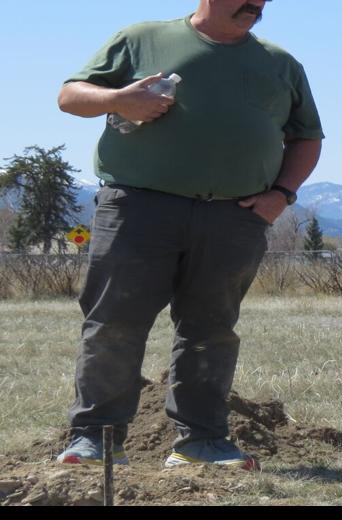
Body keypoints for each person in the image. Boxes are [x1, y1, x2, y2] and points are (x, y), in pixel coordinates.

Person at [54, 0, 323, 470]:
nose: (257, 4)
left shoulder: (280, 63)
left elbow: (307, 136)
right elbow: (71, 96)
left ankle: (201, 442)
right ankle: (96, 439)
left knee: (211, 330)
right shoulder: (142, 38)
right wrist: (117, 99)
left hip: (233, 217)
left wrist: (282, 194)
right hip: (138, 208)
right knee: (114, 322)